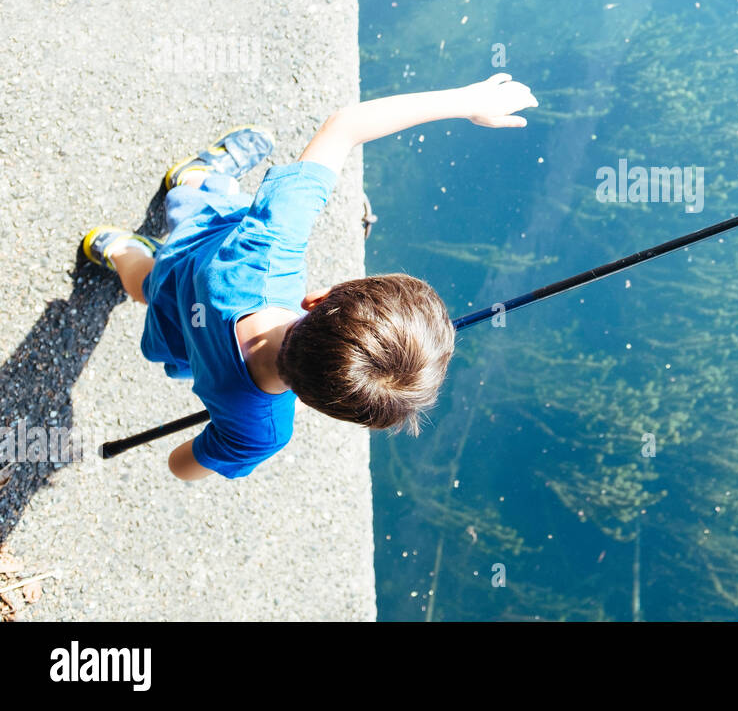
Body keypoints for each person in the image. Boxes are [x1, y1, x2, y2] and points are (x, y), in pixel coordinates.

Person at [80, 73, 538, 480]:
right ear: (327, 404)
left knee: (178, 241)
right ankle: (116, 247)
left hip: (191, 254)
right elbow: (182, 467)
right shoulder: (260, 430)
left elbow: (345, 126)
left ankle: (191, 181)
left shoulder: (274, 241)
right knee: (144, 288)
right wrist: (222, 436)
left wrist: (467, 101)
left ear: (318, 299)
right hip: (176, 334)